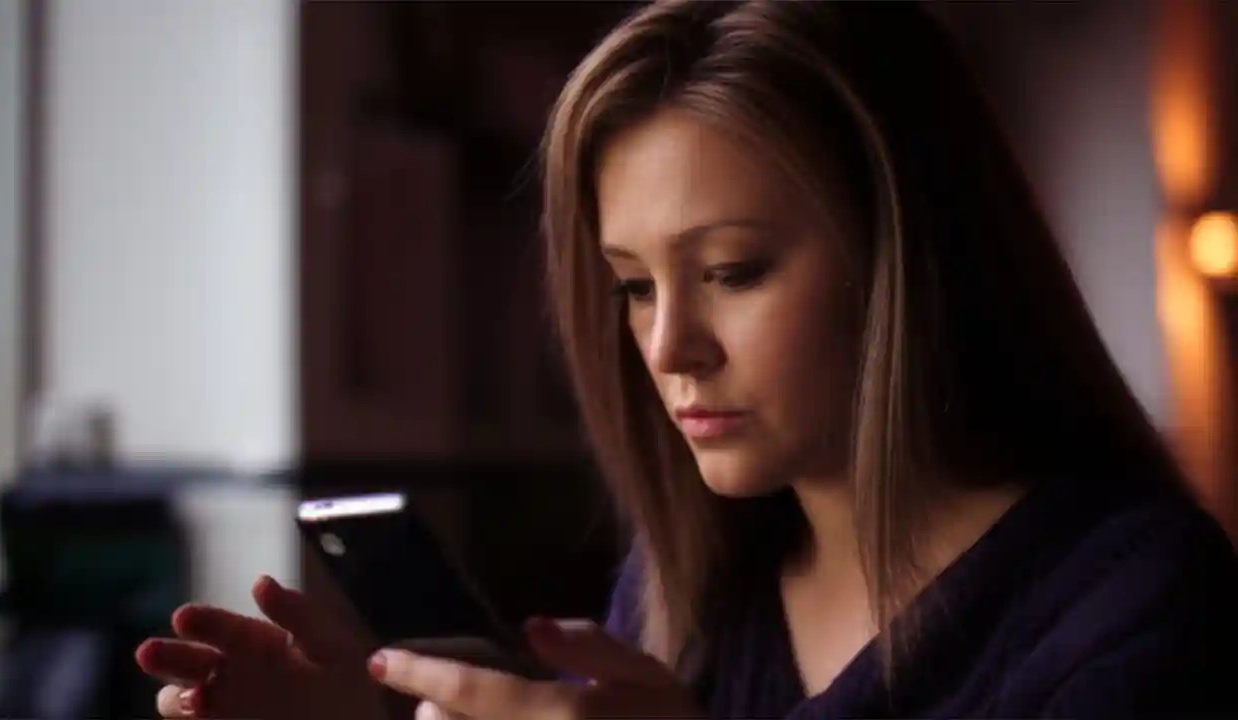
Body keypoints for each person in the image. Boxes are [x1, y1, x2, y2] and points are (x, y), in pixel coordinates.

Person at [136, 2, 1238, 718]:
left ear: (911, 258)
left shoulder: (1134, 606)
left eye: (732, 271)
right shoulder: (680, 591)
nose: (667, 348)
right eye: (631, 286)